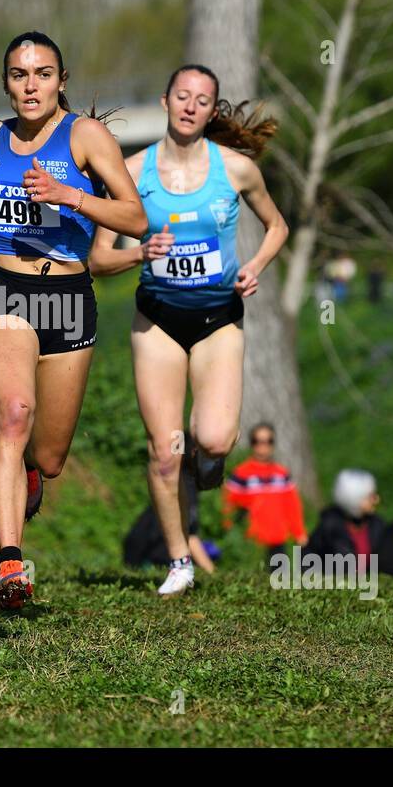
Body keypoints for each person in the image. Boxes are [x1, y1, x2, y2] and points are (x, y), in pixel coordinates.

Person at [0, 30, 147, 609]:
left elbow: (135, 218)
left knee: (48, 456)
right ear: (6, 83)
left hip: (68, 300)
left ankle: (32, 479)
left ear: (61, 81)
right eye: (19, 75)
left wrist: (72, 197)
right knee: (14, 413)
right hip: (5, 293)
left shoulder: (86, 136)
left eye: (43, 73)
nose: (31, 85)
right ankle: (10, 565)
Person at [89, 63, 288, 596]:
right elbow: (97, 260)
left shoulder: (237, 170)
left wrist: (256, 267)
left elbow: (277, 226)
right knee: (163, 450)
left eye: (203, 100)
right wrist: (140, 253)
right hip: (158, 321)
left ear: (211, 110)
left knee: (214, 438)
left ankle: (208, 460)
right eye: (183, 96)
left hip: (218, 318)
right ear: (165, 100)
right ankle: (180, 559)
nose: (191, 106)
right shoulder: (132, 173)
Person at [223, 422, 308, 562]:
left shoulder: (281, 474)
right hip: (252, 542)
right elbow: (229, 505)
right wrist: (229, 530)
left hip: (279, 540)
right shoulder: (241, 474)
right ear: (251, 443)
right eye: (258, 441)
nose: (263, 445)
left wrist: (299, 532)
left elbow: (293, 506)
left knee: (281, 580)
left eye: (268, 441)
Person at [123, 454, 218, 574]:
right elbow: (190, 537)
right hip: (150, 560)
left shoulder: (178, 480)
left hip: (139, 555)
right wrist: (212, 575)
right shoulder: (186, 486)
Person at [303, 468, 386, 574]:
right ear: (354, 499)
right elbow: (308, 561)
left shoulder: (377, 525)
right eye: (370, 497)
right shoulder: (329, 527)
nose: (377, 499)